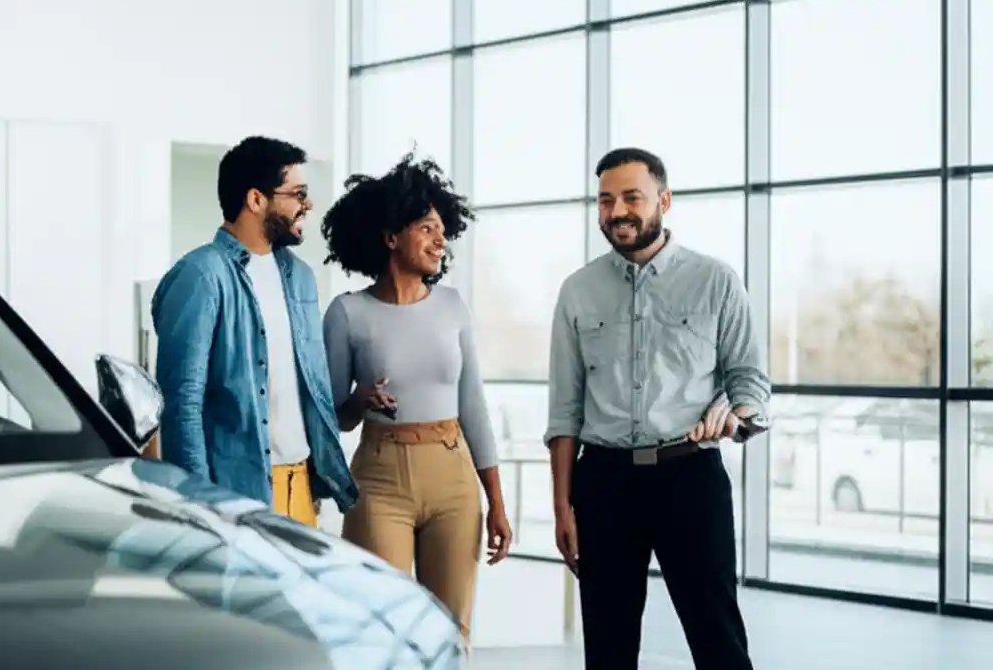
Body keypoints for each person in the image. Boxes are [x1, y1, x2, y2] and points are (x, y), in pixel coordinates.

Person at [546, 147, 771, 670]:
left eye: (631, 197)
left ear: (663, 201)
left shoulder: (715, 280)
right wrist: (563, 506)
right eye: (605, 200)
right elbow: (564, 410)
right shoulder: (577, 291)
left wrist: (735, 415)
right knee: (607, 647)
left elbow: (750, 381)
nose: (617, 211)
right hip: (603, 484)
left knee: (718, 639)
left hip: (689, 479)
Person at [320, 152, 513, 645]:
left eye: (441, 229)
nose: (440, 239)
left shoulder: (452, 306)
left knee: (452, 630)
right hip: (380, 479)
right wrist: (359, 400)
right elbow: (333, 419)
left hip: (453, 476)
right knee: (382, 625)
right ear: (391, 237)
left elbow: (473, 406)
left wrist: (496, 501)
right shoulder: (348, 314)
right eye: (427, 228)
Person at [150, 135, 357, 525]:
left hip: (301, 485)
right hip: (234, 494)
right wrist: (199, 504)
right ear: (256, 200)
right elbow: (182, 404)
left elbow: (311, 387)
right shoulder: (201, 276)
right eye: (298, 194)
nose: (307, 205)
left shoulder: (301, 278)